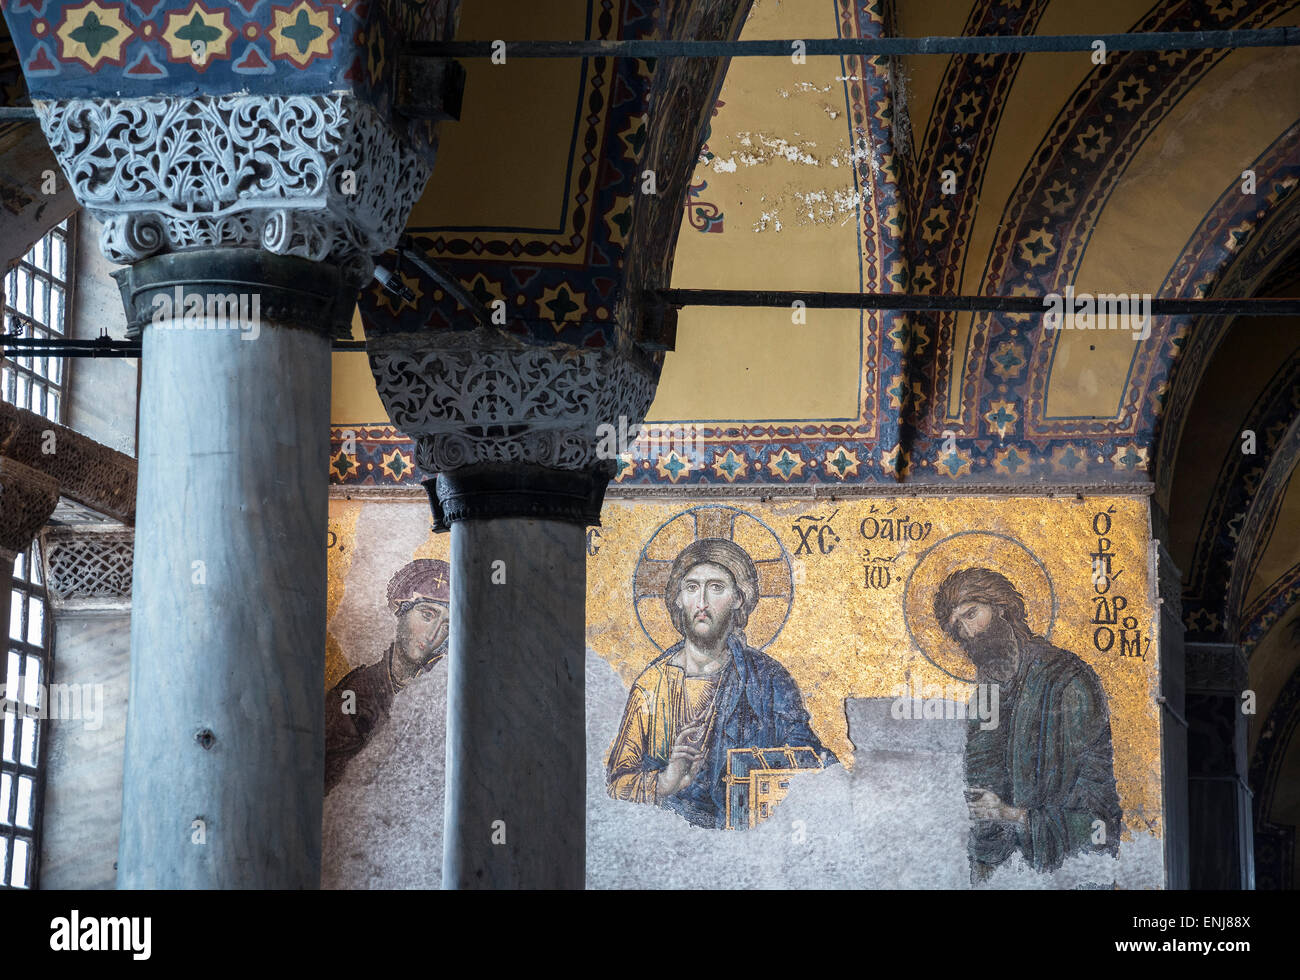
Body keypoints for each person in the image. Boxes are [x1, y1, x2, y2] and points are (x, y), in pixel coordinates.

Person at [606, 537, 836, 828]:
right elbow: (615, 785)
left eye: (716, 588)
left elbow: (811, 760)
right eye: (692, 588)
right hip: (670, 839)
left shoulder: (768, 680)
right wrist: (667, 781)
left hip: (750, 840)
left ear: (739, 597)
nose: (701, 603)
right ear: (678, 598)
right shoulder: (652, 687)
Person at [933, 567, 1122, 879]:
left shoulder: (1068, 681)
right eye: (956, 628)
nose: (967, 633)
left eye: (970, 614)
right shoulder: (986, 694)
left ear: (1003, 608)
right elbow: (981, 791)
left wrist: (1014, 816)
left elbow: (1099, 819)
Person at [324, 558, 450, 795]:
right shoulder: (356, 692)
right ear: (401, 611)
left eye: (446, 626)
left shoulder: (438, 694)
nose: (433, 635)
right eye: (427, 615)